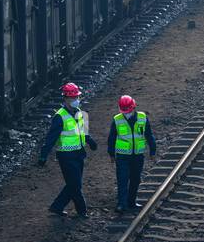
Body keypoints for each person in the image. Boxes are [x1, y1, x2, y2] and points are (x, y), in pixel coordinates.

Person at [38, 82, 99, 217]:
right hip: (66, 156)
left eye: (77, 97)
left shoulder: (80, 113)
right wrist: (43, 155)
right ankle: (82, 211)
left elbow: (83, 132)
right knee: (75, 185)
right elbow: (51, 138)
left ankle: (57, 206)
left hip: (79, 153)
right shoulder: (59, 117)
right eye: (73, 98)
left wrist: (90, 141)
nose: (76, 100)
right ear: (65, 99)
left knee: (73, 183)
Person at [107, 95, 157, 214]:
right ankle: (121, 204)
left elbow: (149, 135)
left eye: (128, 111)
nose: (126, 113)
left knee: (135, 179)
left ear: (133, 108)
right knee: (122, 179)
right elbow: (111, 138)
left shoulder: (142, 118)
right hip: (123, 156)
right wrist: (111, 154)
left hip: (138, 155)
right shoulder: (117, 119)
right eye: (124, 111)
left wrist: (153, 150)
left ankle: (131, 202)